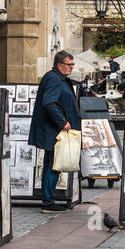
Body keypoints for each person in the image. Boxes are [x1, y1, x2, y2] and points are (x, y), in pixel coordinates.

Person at [28, 50, 81, 213]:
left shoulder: (59, 78)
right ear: (59, 65)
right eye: (68, 64)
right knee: (53, 165)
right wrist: (62, 122)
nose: (71, 67)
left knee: (52, 164)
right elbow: (49, 103)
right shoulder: (54, 79)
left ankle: (48, 199)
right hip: (54, 131)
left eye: (73, 65)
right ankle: (48, 202)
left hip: (54, 130)